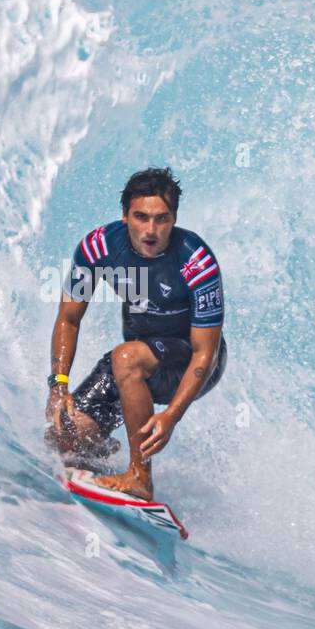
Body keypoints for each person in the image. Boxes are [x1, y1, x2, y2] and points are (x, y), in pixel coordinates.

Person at [44, 167, 227, 499]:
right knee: (64, 438)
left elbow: (206, 353)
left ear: (175, 218)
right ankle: (99, 453)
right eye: (141, 217)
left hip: (192, 363)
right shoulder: (99, 248)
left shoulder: (196, 260)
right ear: (125, 216)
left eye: (162, 219)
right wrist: (58, 385)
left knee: (126, 357)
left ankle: (139, 478)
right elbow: (68, 319)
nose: (151, 230)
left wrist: (171, 415)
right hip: (137, 359)